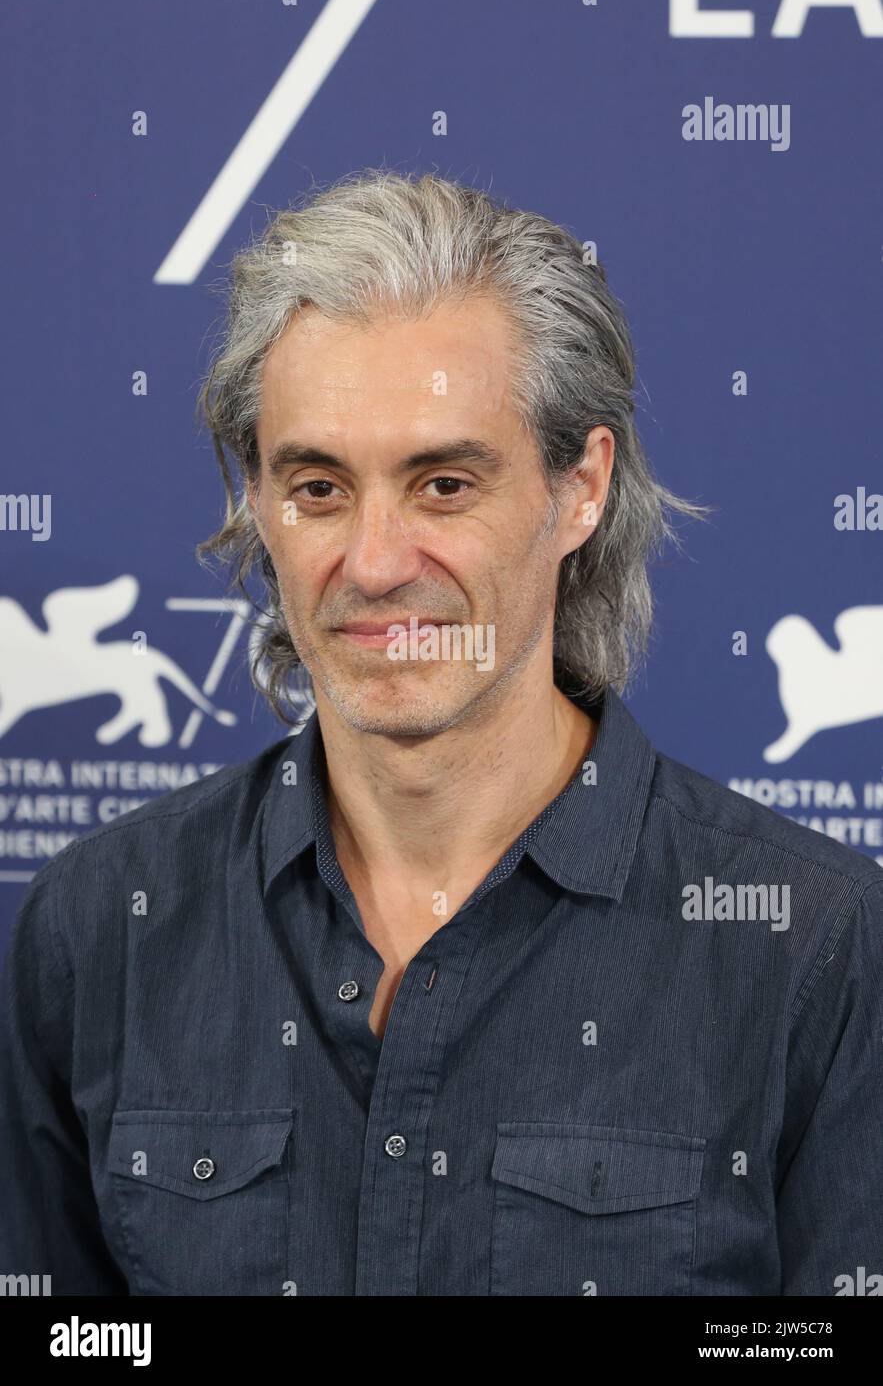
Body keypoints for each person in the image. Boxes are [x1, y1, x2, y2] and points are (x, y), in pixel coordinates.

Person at [1, 170, 880, 1296]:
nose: (372, 563)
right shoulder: (98, 926)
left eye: (444, 483)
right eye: (317, 487)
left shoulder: (815, 948)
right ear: (260, 507)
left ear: (581, 489)